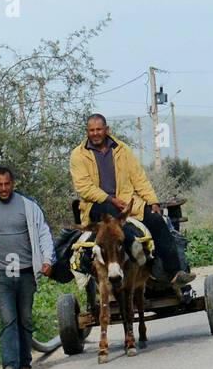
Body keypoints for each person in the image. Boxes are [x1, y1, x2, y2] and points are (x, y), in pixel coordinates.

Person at [69, 113, 195, 290]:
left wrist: (152, 202)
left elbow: (139, 178)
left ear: (106, 130)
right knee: (111, 216)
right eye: (91, 130)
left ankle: (175, 273)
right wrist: (111, 199)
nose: (95, 133)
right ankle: (134, 250)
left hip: (128, 203)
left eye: (99, 129)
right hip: (97, 204)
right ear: (87, 132)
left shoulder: (122, 150)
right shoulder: (78, 155)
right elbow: (84, 187)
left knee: (157, 220)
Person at [0, 167, 55, 369]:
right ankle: (10, 366)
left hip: (26, 272)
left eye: (7, 184)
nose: (3, 188)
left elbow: (43, 233)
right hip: (0, 276)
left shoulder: (28, 206)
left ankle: (25, 365)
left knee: (25, 319)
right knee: (8, 320)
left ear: (13, 183)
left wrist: (47, 260)